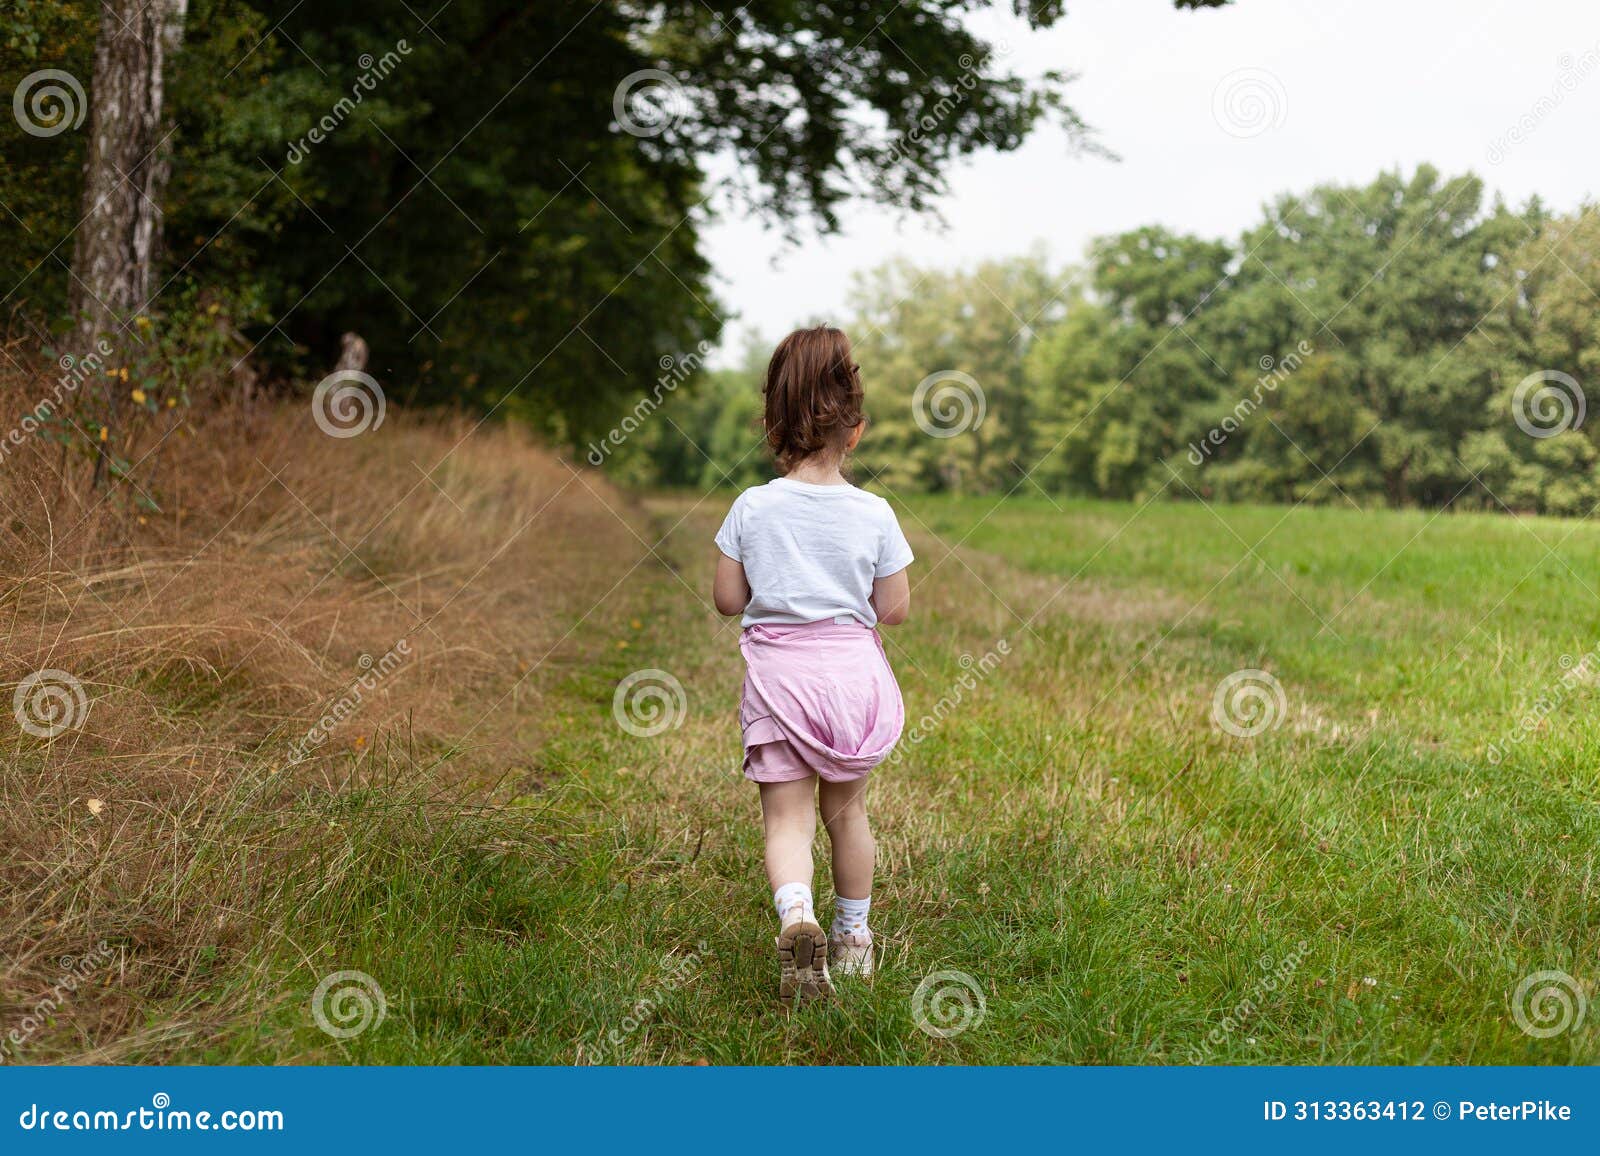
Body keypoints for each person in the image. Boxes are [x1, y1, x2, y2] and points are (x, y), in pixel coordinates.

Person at [711, 324, 913, 1007]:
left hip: (779, 684)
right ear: (854, 432)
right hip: (851, 683)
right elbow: (894, 609)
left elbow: (727, 600)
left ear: (772, 424)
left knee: (787, 824)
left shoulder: (751, 507)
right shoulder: (876, 513)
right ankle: (854, 939)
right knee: (848, 818)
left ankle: (797, 916)